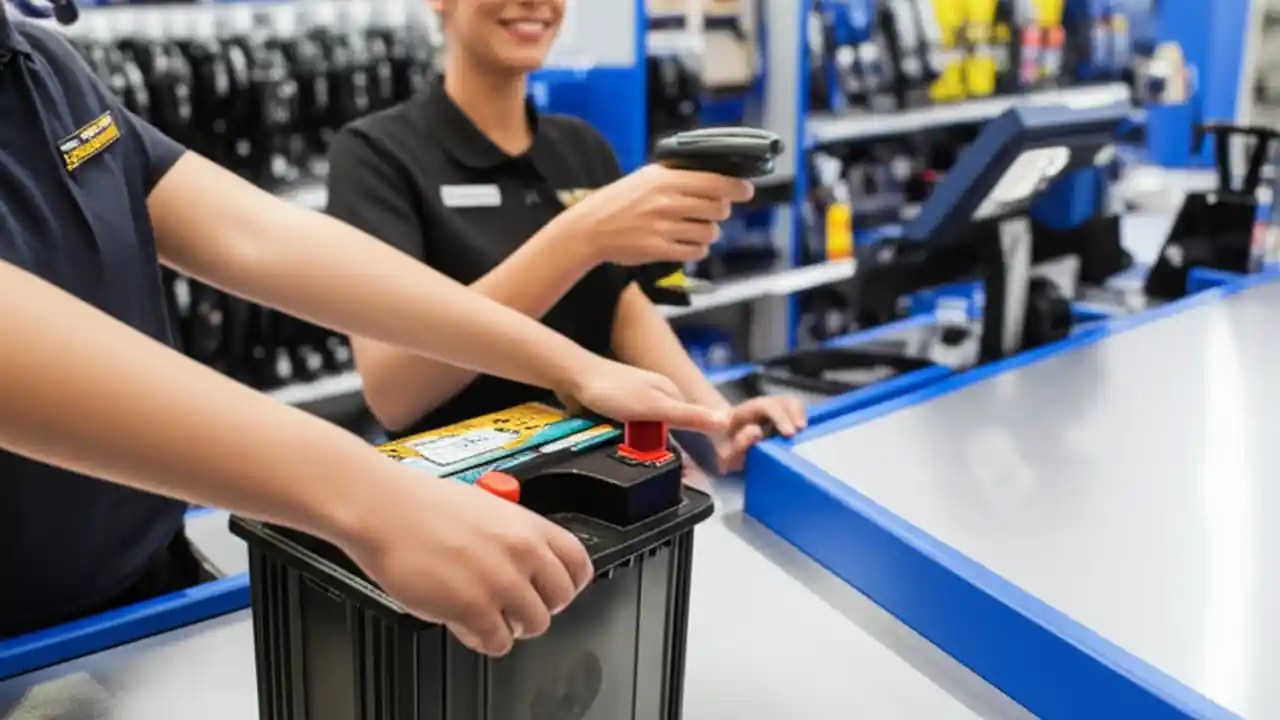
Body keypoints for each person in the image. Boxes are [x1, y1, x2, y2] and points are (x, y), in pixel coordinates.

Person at [0, 5, 728, 656]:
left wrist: (570, 364)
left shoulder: (40, 64)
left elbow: (260, 236)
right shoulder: (382, 150)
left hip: (144, 589)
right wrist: (374, 501)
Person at [326, 0, 807, 474]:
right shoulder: (375, 157)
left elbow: (619, 304)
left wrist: (716, 419)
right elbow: (394, 393)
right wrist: (578, 239)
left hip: (602, 482)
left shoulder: (580, 146)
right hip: (461, 496)